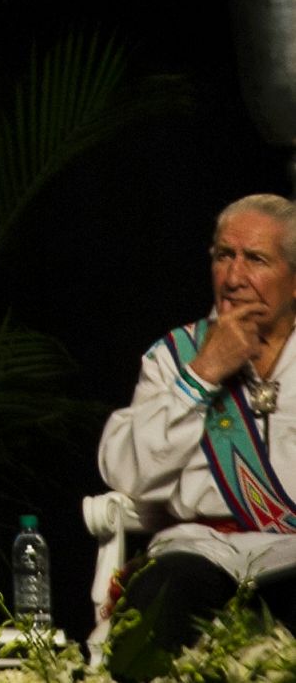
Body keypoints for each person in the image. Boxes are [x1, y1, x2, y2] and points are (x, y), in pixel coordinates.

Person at [98, 193, 296, 680]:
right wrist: (204, 375)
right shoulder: (174, 356)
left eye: (255, 260)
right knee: (161, 597)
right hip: (197, 549)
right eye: (223, 256)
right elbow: (125, 470)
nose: (233, 278)